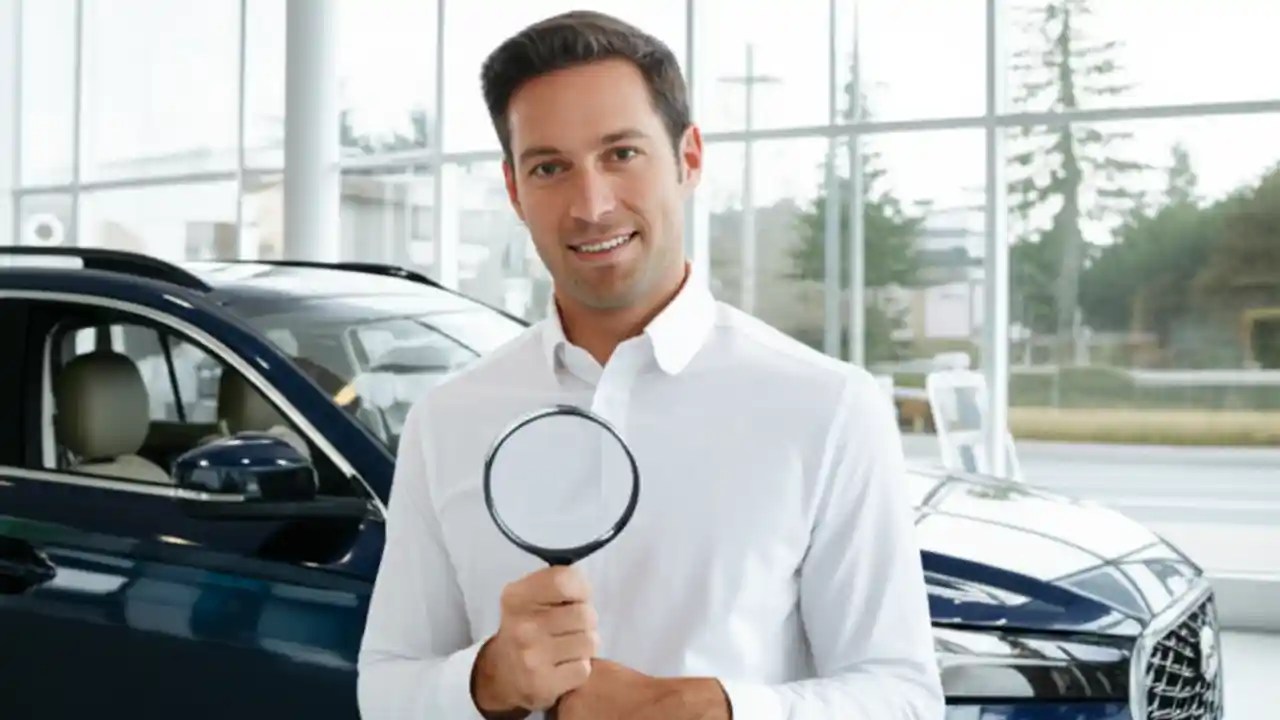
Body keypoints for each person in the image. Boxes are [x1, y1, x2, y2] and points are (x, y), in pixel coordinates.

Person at [356, 10, 945, 720]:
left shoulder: (827, 406)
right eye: (550, 167)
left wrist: (705, 709)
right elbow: (384, 688)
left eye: (621, 154)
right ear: (514, 190)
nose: (592, 205)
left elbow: (903, 696)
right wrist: (485, 682)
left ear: (688, 159)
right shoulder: (447, 420)